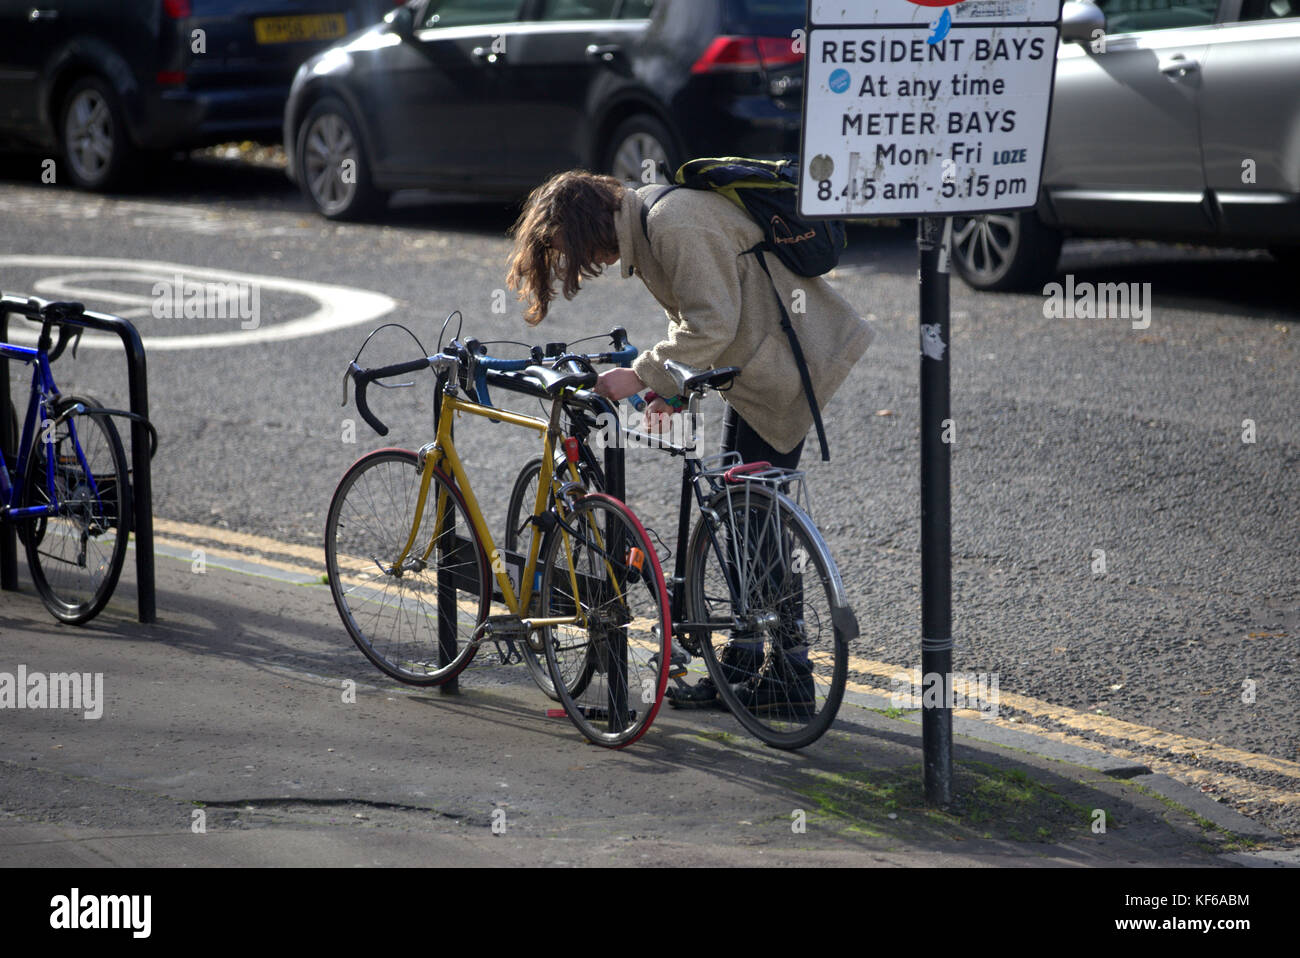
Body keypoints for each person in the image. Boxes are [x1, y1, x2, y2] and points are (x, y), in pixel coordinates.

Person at [506, 169, 872, 707]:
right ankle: (745, 663)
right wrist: (672, 383)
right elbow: (704, 321)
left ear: (589, 227)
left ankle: (790, 677)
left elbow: (710, 325)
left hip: (786, 364)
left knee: (755, 523)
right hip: (755, 368)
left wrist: (640, 374)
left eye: (573, 250)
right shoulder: (653, 224)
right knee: (738, 513)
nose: (584, 265)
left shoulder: (670, 223)